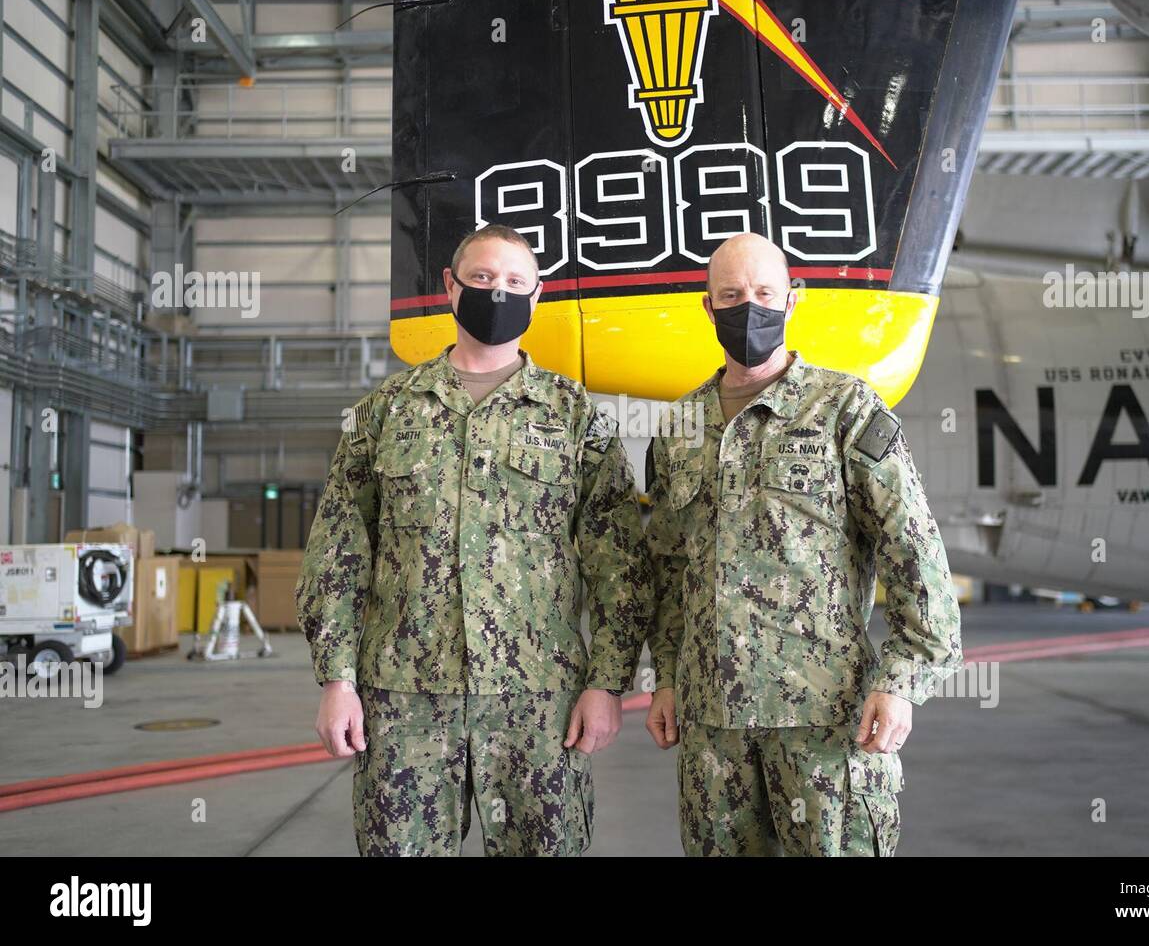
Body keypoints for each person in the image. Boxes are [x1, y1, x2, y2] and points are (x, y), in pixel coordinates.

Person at [296, 224, 652, 856]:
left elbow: (618, 560)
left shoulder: (572, 415)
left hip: (539, 700)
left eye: (515, 282)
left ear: (537, 295)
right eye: (483, 279)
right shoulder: (388, 410)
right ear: (450, 286)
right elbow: (338, 550)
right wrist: (337, 679)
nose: (498, 293)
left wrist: (608, 683)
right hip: (403, 697)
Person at [643, 232, 962, 856]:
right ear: (708, 307)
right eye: (731, 295)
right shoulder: (679, 425)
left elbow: (914, 553)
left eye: (764, 292)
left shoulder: (845, 408)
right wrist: (668, 677)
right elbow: (669, 568)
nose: (749, 307)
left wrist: (900, 681)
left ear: (793, 299)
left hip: (824, 717)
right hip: (714, 727)